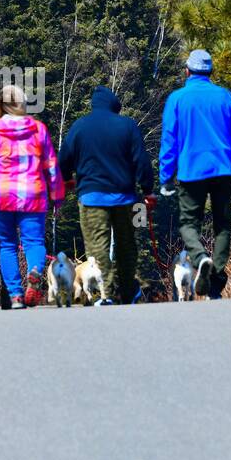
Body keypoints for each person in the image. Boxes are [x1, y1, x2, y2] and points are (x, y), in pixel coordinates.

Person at [158, 50, 231, 299]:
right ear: (210, 72)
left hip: (191, 170)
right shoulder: (224, 96)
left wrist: (165, 177)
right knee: (222, 225)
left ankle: (200, 257)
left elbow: (169, 141)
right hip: (223, 170)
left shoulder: (177, 99)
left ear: (187, 71)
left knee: (188, 223)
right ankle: (215, 282)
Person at [0, 85, 65, 309]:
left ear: (0, 106)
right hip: (33, 194)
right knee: (34, 242)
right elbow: (51, 166)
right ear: (23, 104)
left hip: (1, 196)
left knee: (8, 246)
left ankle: (16, 295)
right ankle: (35, 271)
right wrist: (57, 195)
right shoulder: (39, 129)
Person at [59, 86, 154, 304]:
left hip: (92, 197)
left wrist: (67, 179)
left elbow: (63, 158)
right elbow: (141, 161)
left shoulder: (80, 126)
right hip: (124, 197)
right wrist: (148, 190)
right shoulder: (127, 125)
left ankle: (107, 294)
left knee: (97, 247)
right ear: (115, 106)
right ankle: (130, 290)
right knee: (126, 246)